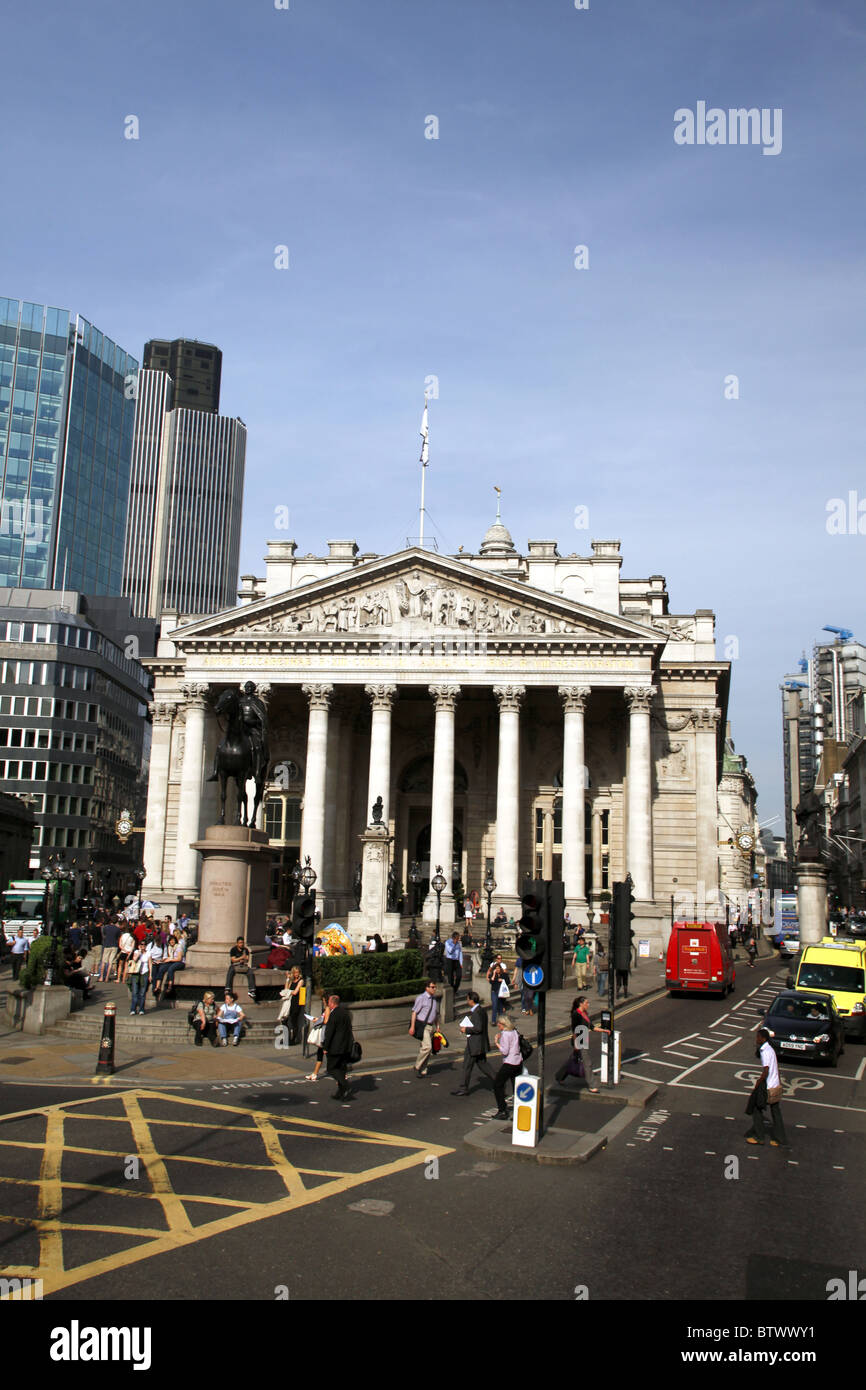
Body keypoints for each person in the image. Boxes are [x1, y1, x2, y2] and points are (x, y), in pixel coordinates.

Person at [745, 1028, 789, 1147]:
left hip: (768, 1085)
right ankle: (781, 1139)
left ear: (763, 1038)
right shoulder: (771, 1049)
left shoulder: (764, 1051)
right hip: (775, 1084)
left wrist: (758, 1082)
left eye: (758, 1037)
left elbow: (766, 1071)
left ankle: (759, 1137)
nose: (756, 1039)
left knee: (756, 1108)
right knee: (776, 1112)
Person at [452, 991, 495, 1095]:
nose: (467, 1001)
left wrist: (466, 1030)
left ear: (471, 1000)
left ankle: (463, 1088)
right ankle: (498, 1081)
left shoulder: (476, 1012)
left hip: (474, 1044)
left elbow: (478, 1028)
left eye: (467, 999)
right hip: (479, 1044)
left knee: (467, 1065)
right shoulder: (481, 1010)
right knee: (483, 1065)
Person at [555, 996, 601, 1091]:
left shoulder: (585, 1014)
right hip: (579, 1040)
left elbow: (592, 1027)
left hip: (583, 1039)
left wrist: (604, 1030)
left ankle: (559, 1076)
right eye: (586, 1003)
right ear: (581, 1004)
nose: (588, 1005)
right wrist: (576, 1044)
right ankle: (592, 1085)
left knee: (573, 1059)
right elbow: (574, 1030)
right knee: (587, 1063)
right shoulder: (576, 1014)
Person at [322, 993, 355, 1099]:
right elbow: (349, 1029)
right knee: (341, 1069)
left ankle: (345, 1085)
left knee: (331, 1068)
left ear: (332, 1003)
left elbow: (329, 1032)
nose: (328, 1004)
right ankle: (340, 1092)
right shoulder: (345, 1013)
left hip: (335, 1047)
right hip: (345, 1046)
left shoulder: (333, 1014)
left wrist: (325, 1047)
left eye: (328, 1003)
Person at [493, 1013, 524, 1119]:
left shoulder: (505, 1034)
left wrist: (497, 1043)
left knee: (497, 1085)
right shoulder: (514, 1031)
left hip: (509, 1063)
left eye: (498, 1024)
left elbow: (505, 1051)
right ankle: (520, 1111)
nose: (498, 1025)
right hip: (518, 1062)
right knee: (517, 1088)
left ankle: (502, 1110)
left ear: (502, 1024)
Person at [409, 980, 440, 1078]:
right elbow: (414, 1012)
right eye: (432, 987)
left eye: (435, 987)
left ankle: (423, 1069)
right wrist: (412, 1026)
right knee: (427, 1047)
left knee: (426, 1048)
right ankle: (417, 1066)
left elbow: (435, 1015)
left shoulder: (434, 1000)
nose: (434, 989)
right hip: (422, 1026)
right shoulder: (421, 998)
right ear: (427, 988)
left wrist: (438, 1026)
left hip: (430, 1027)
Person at [306, 994, 332, 1081]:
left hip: (325, 1034)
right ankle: (314, 1074)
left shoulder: (328, 1009)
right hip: (324, 1034)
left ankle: (341, 1073)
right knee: (321, 1053)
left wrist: (317, 1020)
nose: (323, 1002)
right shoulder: (327, 1009)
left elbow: (326, 1021)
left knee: (325, 1054)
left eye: (324, 1000)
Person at [225, 936, 257, 1002]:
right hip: (235, 965)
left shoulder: (246, 950)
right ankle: (228, 988)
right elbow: (233, 960)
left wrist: (243, 960)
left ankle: (252, 990)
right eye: (240, 943)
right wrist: (240, 958)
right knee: (230, 971)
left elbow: (247, 959)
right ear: (237, 943)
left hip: (243, 965)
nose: (241, 944)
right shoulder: (233, 949)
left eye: (242, 943)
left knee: (250, 972)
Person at [127, 941, 152, 1014]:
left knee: (142, 992)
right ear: (139, 945)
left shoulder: (148, 953)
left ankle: (141, 1009)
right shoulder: (136, 952)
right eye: (141, 944)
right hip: (136, 973)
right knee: (135, 992)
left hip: (145, 973)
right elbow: (134, 960)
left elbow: (150, 964)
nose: (143, 946)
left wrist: (150, 975)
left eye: (144, 945)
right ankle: (133, 1009)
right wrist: (139, 952)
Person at [486, 954, 510, 1025]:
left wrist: (502, 980)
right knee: (494, 1005)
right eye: (496, 969)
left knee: (500, 1007)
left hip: (501, 992)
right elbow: (491, 981)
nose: (497, 970)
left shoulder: (504, 975)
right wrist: (493, 974)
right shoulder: (494, 975)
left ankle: (501, 1020)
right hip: (494, 992)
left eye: (498, 969)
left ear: (500, 969)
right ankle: (493, 1020)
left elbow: (508, 981)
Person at [98, 917, 119, 982]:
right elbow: (117, 937)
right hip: (114, 945)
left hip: (107, 945)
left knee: (104, 961)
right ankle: (107, 977)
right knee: (110, 962)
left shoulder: (106, 927)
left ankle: (101, 977)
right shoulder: (117, 929)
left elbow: (104, 935)